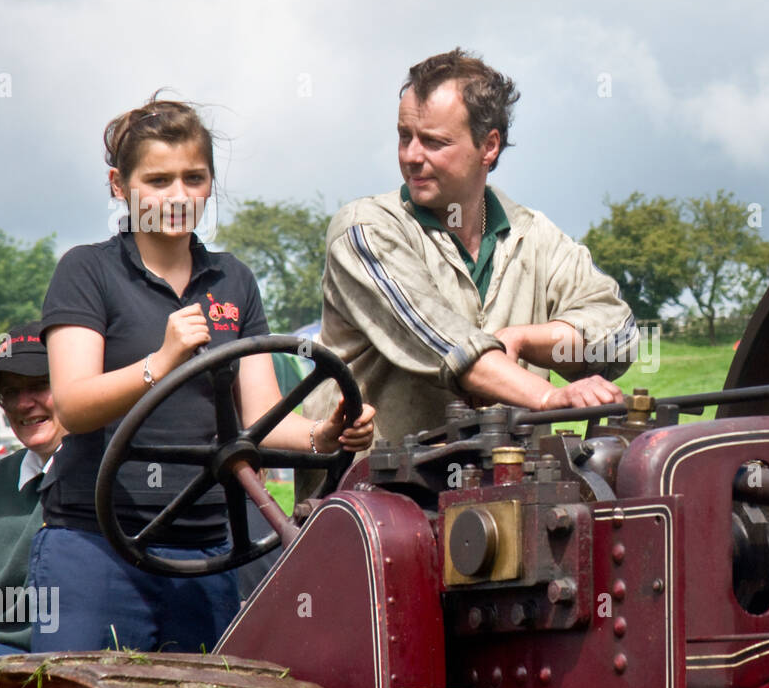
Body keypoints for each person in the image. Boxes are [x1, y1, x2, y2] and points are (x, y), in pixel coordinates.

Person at [33, 94, 375, 655]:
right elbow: (72, 405)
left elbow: (257, 420)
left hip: (207, 551)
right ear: (119, 185)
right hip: (95, 545)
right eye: (158, 179)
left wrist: (326, 433)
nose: (177, 196)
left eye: (193, 178)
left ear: (211, 183)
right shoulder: (86, 270)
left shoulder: (233, 281)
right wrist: (160, 362)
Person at [317, 48, 638, 451]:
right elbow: (446, 344)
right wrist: (547, 396)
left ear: (489, 147)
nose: (412, 156)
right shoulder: (364, 232)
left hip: (517, 494)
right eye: (405, 136)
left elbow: (620, 337)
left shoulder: (535, 235)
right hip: (379, 500)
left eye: (434, 142)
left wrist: (524, 338)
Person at [0, 323, 66, 670]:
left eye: (38, 385)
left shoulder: (105, 473)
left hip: (78, 667)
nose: (23, 403)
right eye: (8, 392)